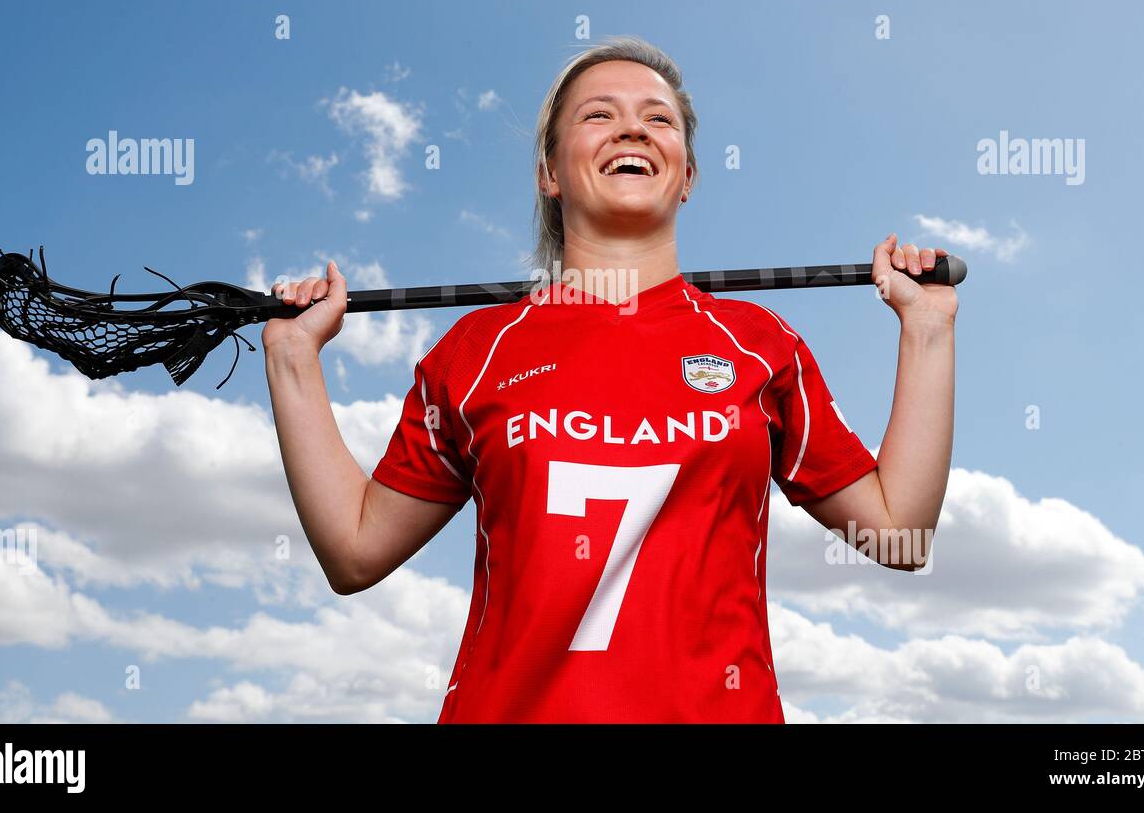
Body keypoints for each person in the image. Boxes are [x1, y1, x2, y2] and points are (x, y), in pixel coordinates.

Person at [262, 36, 957, 722]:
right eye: (599, 114)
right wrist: (294, 358)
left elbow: (898, 532)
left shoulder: (759, 344)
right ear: (549, 173)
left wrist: (926, 328)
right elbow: (355, 554)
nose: (633, 126)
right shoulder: (476, 351)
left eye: (660, 119)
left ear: (686, 176)